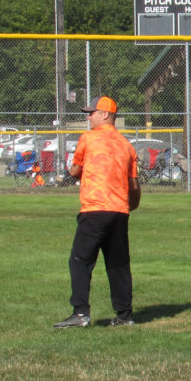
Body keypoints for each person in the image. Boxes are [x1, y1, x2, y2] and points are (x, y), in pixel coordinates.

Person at [54, 96, 141, 328]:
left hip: (94, 208)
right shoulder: (126, 145)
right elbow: (134, 185)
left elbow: (75, 171)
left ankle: (80, 313)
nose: (89, 117)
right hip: (119, 211)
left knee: (80, 260)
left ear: (105, 114)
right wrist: (130, 205)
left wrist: (75, 172)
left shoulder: (88, 138)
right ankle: (125, 315)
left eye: (91, 113)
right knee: (118, 264)